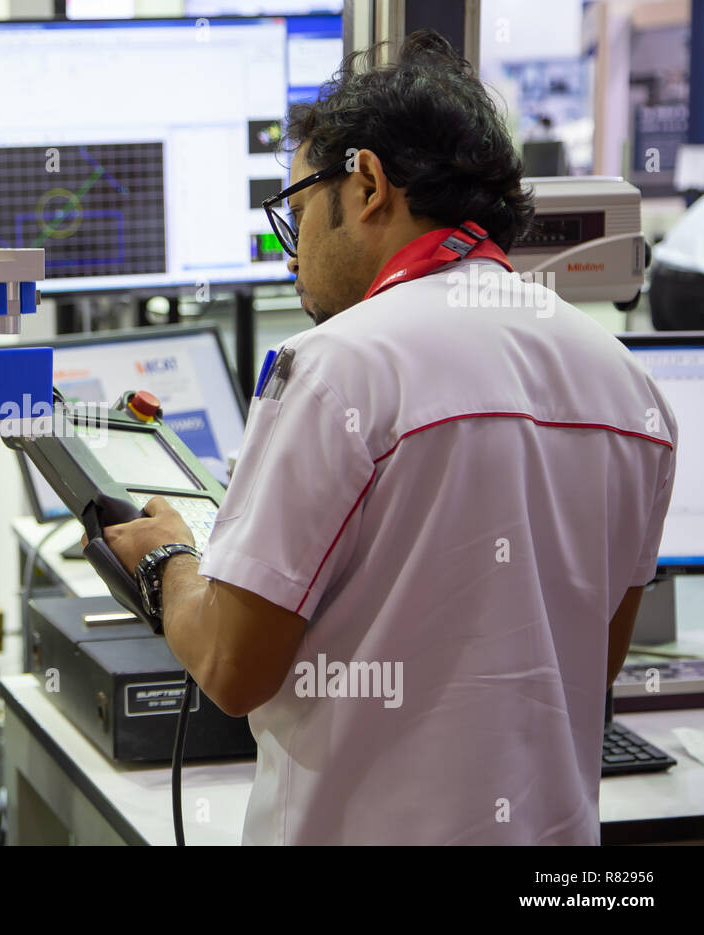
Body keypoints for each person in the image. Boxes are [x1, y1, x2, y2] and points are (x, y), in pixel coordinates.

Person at [103, 30, 677, 845]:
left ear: (367, 183)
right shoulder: (630, 387)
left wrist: (168, 560)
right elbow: (594, 658)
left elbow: (234, 668)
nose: (290, 254)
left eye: (297, 213)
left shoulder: (338, 368)